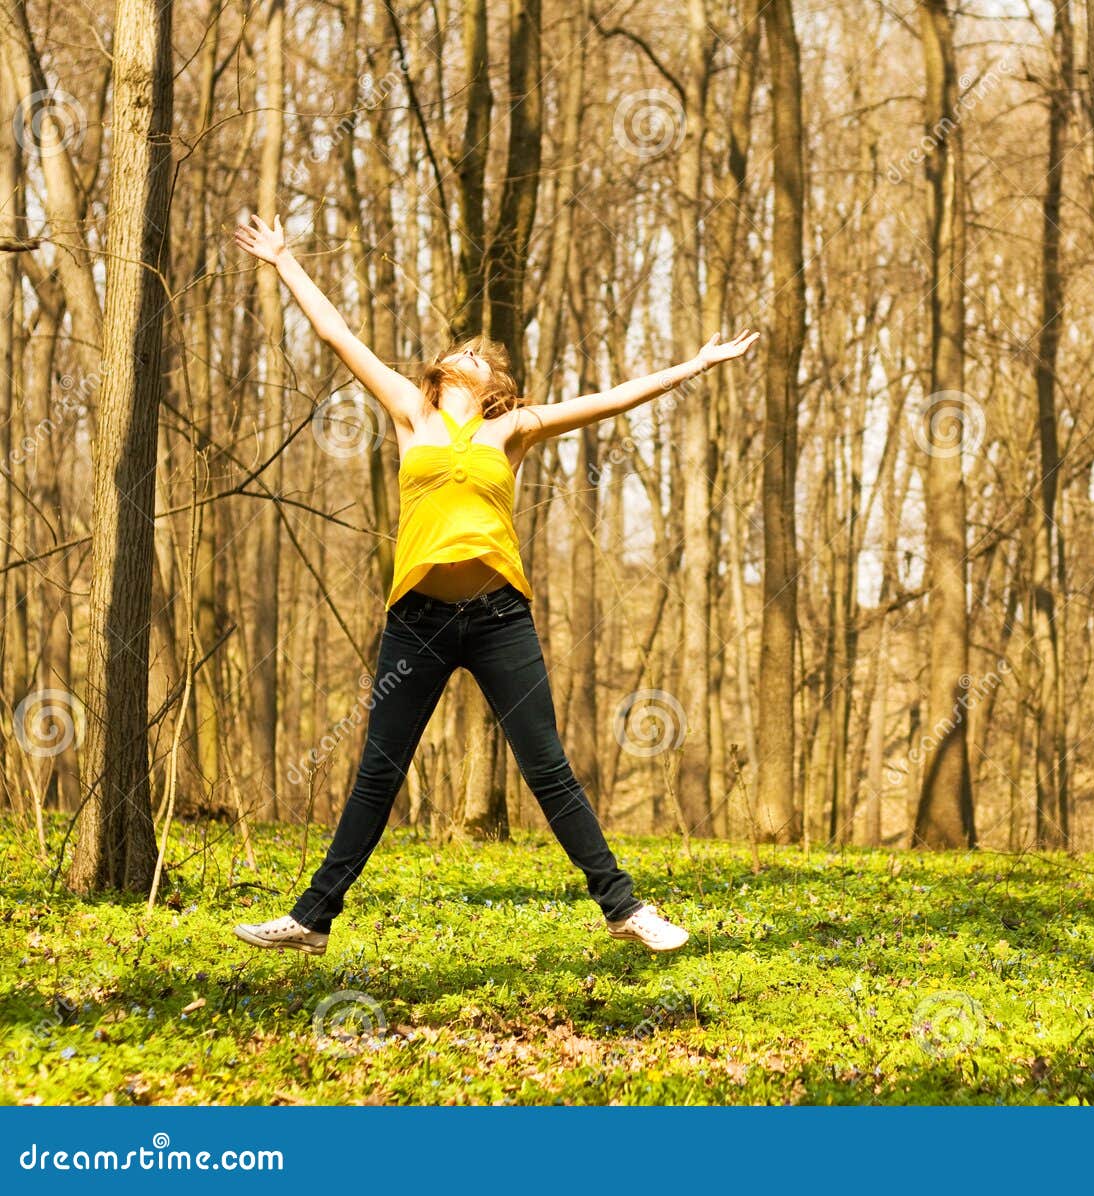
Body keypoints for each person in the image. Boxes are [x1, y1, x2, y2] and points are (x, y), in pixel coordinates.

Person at [228, 212, 758, 955]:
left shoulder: (510, 432)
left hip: (497, 617)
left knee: (547, 768)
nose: (473, 354)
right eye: (463, 348)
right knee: (378, 771)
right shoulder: (409, 415)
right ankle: (312, 919)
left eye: (485, 354)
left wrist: (694, 366)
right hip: (416, 620)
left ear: (494, 385)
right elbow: (337, 336)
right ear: (442, 370)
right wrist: (284, 261)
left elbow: (611, 399)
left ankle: (625, 908)